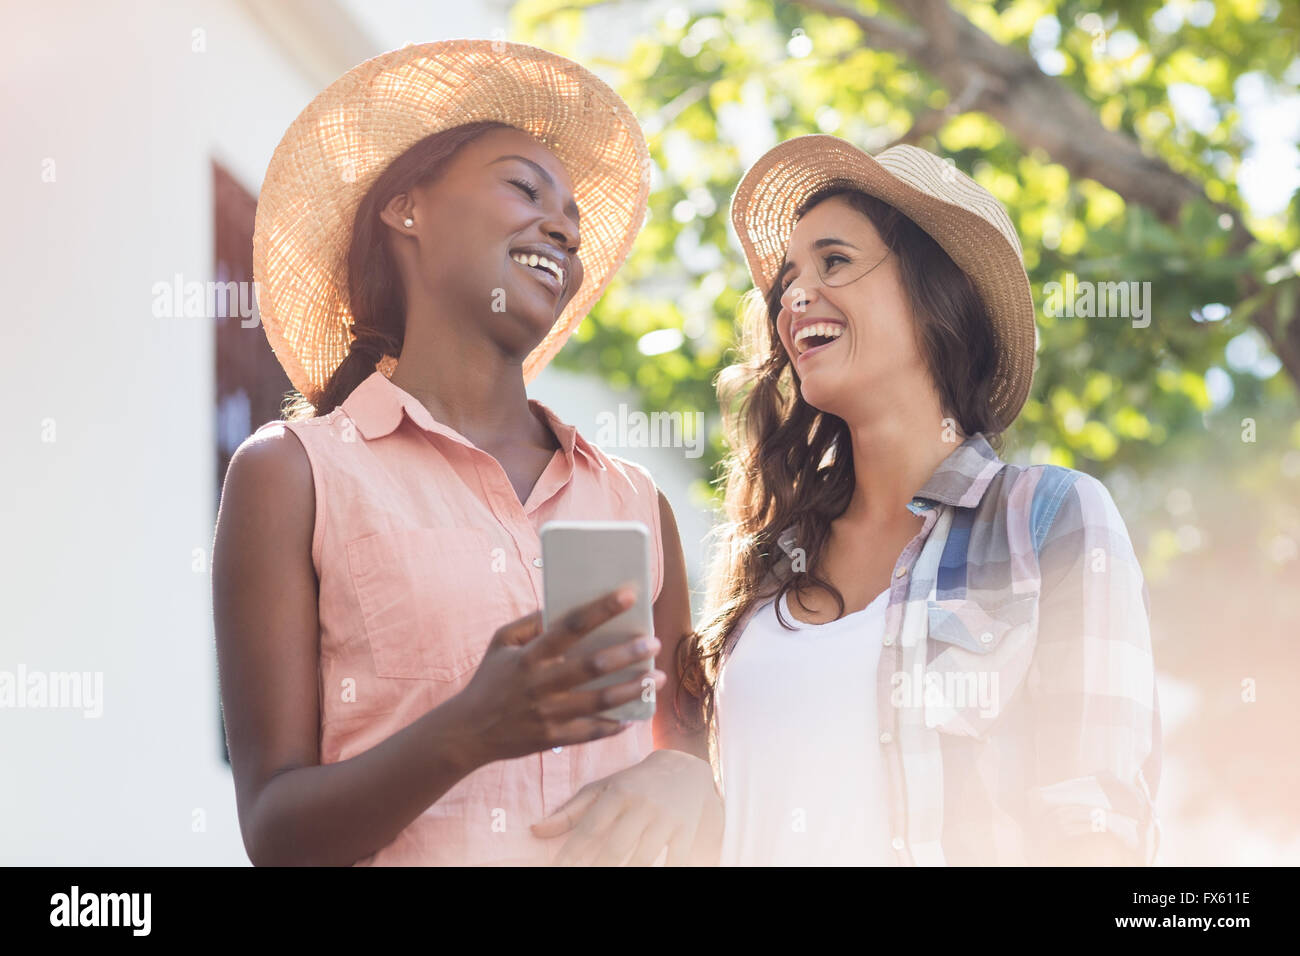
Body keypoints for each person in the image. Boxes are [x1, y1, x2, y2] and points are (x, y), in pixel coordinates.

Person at [212, 39, 721, 866]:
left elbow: (694, 759)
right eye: (524, 186)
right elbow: (277, 833)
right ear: (406, 209)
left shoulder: (635, 503)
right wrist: (468, 731)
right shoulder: (294, 473)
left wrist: (688, 779)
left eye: (574, 221)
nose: (561, 227)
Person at [684, 134, 1162, 866]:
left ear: (931, 292)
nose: (793, 297)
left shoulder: (1046, 519)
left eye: (834, 262)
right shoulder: (769, 562)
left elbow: (1096, 827)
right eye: (787, 281)